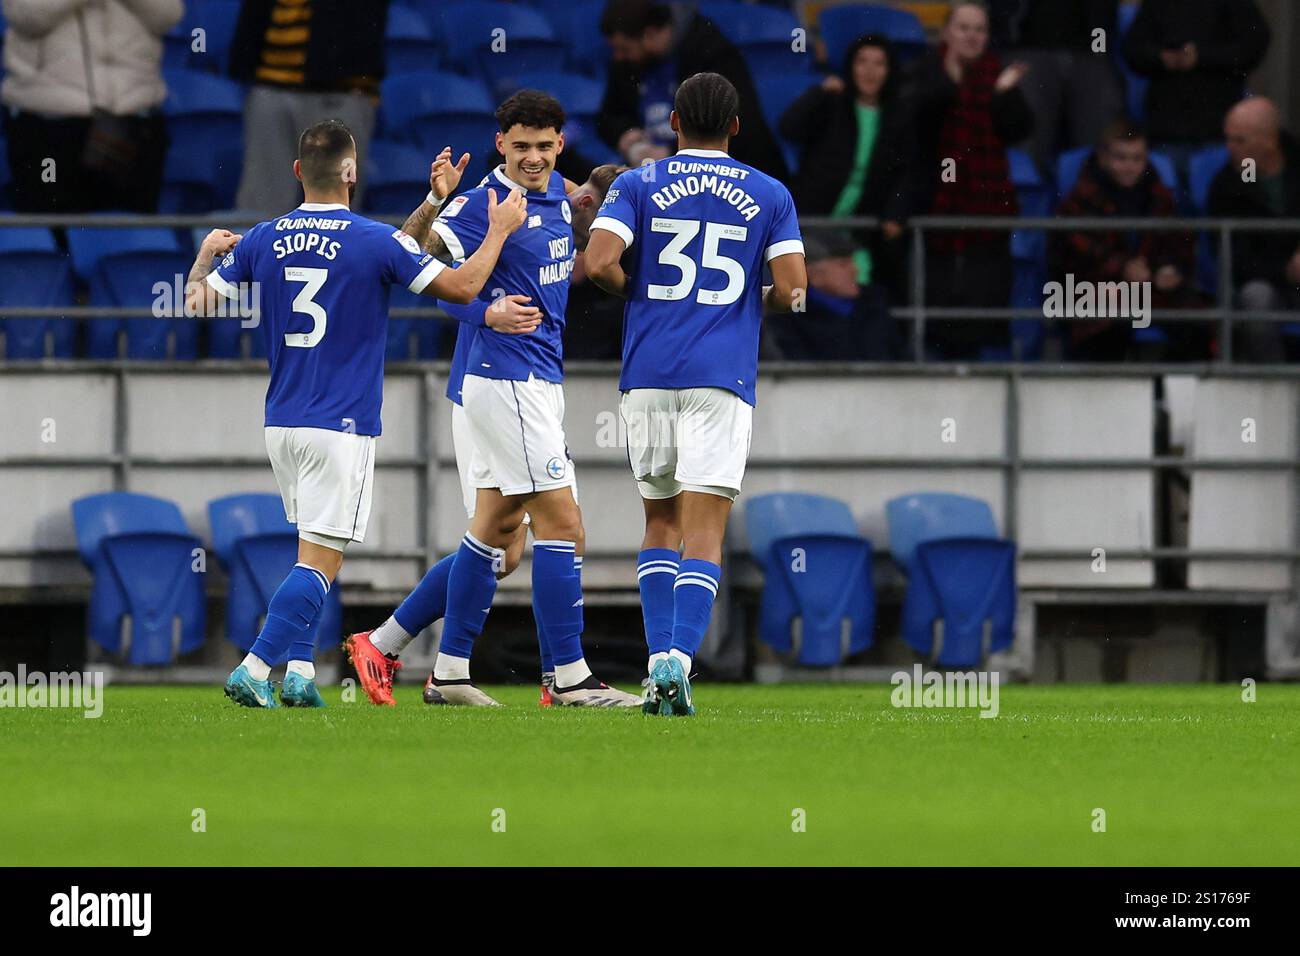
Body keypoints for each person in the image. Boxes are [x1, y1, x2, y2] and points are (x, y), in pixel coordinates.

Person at [184, 120, 526, 707]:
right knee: (321, 560)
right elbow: (466, 287)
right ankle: (255, 665)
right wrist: (496, 233)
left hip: (283, 423)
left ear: (298, 173)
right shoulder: (372, 240)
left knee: (309, 550)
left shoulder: (264, 237)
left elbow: (194, 304)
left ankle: (296, 675)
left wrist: (202, 255)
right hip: (340, 424)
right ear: (353, 173)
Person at [347, 91, 640, 708]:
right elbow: (407, 257)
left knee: (501, 543)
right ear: (501, 143)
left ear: (560, 144)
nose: (532, 158)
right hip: (502, 378)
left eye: (543, 146)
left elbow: (600, 223)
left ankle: (420, 660)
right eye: (520, 146)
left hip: (529, 382)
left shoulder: (566, 195)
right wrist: (484, 307)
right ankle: (569, 678)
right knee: (564, 523)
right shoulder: (485, 204)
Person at [584, 72, 807, 716]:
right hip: (721, 374)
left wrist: (646, 294)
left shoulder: (637, 182)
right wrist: (749, 300)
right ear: (736, 127)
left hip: (649, 373)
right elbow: (794, 291)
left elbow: (598, 263)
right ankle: (679, 660)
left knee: (659, 520)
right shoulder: (769, 192)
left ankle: (656, 662)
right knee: (705, 528)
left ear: (673, 124)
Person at [904, 0, 1033, 360]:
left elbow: (1019, 130)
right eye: (964, 28)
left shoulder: (997, 77)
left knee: (982, 311)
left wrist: (1004, 95)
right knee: (937, 312)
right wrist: (948, 82)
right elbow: (918, 128)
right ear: (946, 32)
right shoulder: (924, 71)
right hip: (936, 206)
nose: (972, 36)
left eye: (979, 29)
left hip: (986, 208)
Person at [1, 0, 181, 213]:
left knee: (131, 237)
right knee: (51, 229)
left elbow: (168, 14)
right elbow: (27, 14)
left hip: (133, 114)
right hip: (48, 121)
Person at [779, 34, 913, 306]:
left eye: (879, 63)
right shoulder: (832, 104)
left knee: (863, 300)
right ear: (850, 66)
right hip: (815, 225)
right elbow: (788, 127)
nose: (870, 71)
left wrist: (895, 214)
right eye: (862, 62)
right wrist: (820, 92)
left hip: (863, 232)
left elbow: (910, 173)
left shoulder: (899, 118)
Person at [1052, 120, 1201, 361]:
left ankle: (1167, 395)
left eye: (1137, 158)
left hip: (1149, 289)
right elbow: (1075, 253)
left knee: (1198, 325)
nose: (1130, 167)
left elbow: (1179, 242)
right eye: (1121, 158)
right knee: (1106, 325)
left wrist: (1169, 269)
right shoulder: (1080, 199)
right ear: (1103, 157)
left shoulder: (1159, 196)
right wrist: (1122, 268)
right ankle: (1108, 398)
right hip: (1093, 290)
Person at [596, 0, 788, 180]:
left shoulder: (711, 51)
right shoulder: (627, 63)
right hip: (653, 174)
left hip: (723, 175)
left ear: (651, 34)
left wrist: (673, 152)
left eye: (624, 49)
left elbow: (734, 123)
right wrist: (626, 137)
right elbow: (609, 115)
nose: (618, 57)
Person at [229, 0, 390, 212]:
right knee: (263, 200)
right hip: (271, 82)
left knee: (336, 202)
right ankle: (261, 246)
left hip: (343, 85)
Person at [1121, 0, 1270, 180]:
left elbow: (1253, 45)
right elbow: (1132, 49)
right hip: (1168, 128)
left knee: (1224, 199)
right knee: (1168, 200)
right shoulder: (1158, 5)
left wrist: (1201, 57)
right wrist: (1162, 58)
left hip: (1219, 128)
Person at [1208, 97, 1300, 363]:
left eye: (1240, 141)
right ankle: (1273, 388)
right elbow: (1235, 261)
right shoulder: (1226, 187)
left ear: (1269, 141)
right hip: (1268, 284)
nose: (1229, 148)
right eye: (1228, 139)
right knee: (1255, 297)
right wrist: (1287, 270)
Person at [988, 0, 1124, 174]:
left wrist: (1101, 47)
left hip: (1088, 51)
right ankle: (1026, 195)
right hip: (1027, 47)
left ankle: (1097, 193)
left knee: (1101, 133)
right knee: (1024, 139)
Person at [765, 231, 897, 360]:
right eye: (843, 264)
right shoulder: (790, 317)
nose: (855, 270)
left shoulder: (874, 303)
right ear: (813, 272)